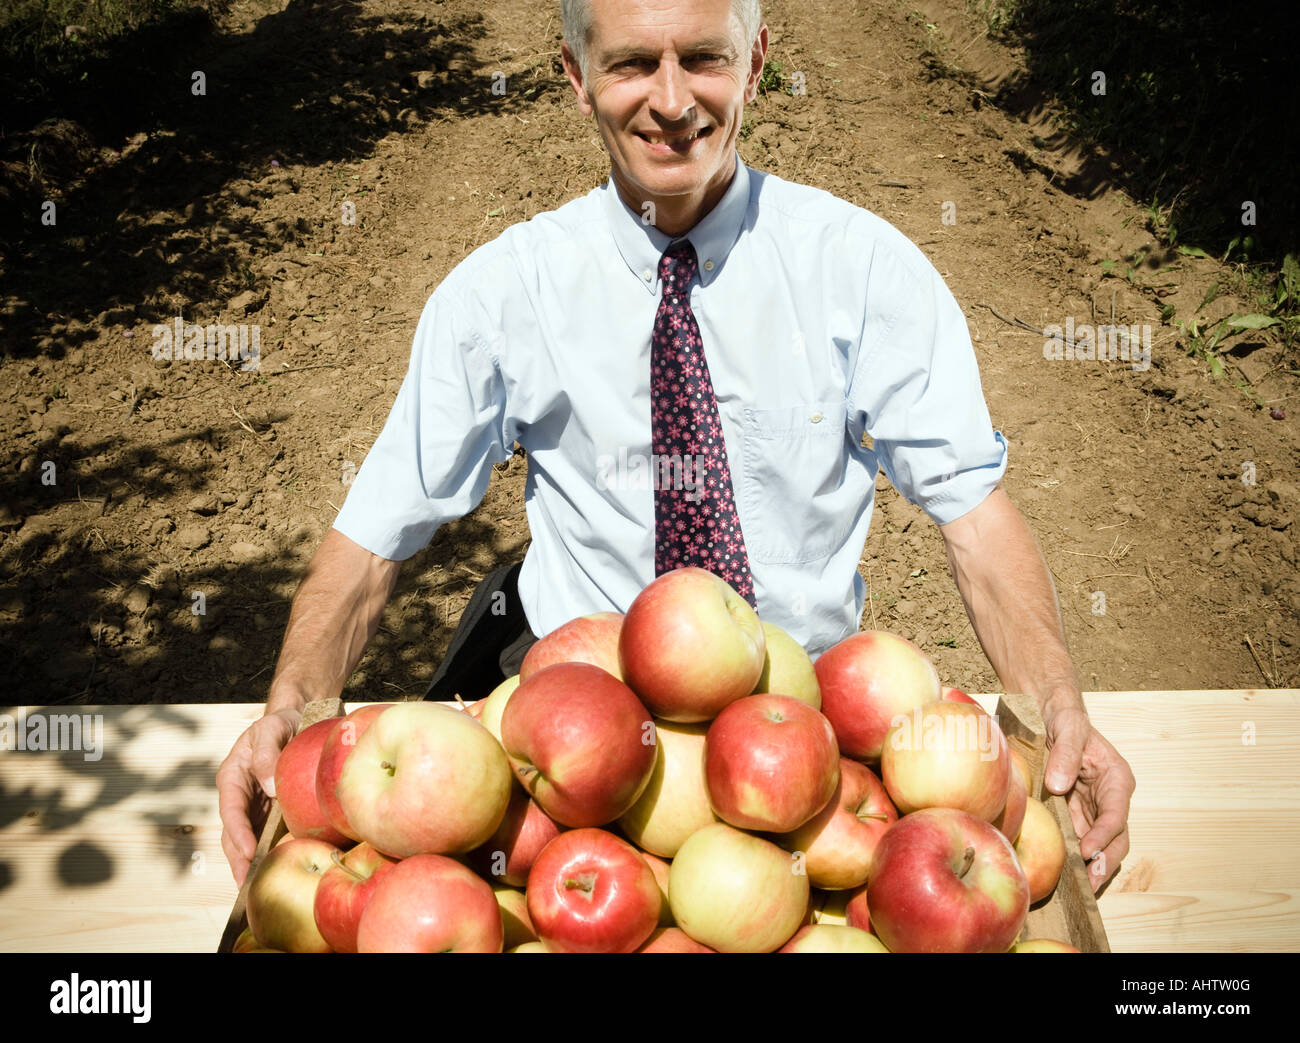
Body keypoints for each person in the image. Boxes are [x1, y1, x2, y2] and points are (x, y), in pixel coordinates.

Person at [218, 0, 1134, 893]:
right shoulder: (503, 295)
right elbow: (379, 528)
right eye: (629, 63)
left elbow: (972, 512)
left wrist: (1057, 702)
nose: (670, 99)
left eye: (703, 56)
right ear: (575, 76)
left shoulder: (863, 272)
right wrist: (292, 708)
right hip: (571, 729)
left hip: (804, 729)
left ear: (758, 59)